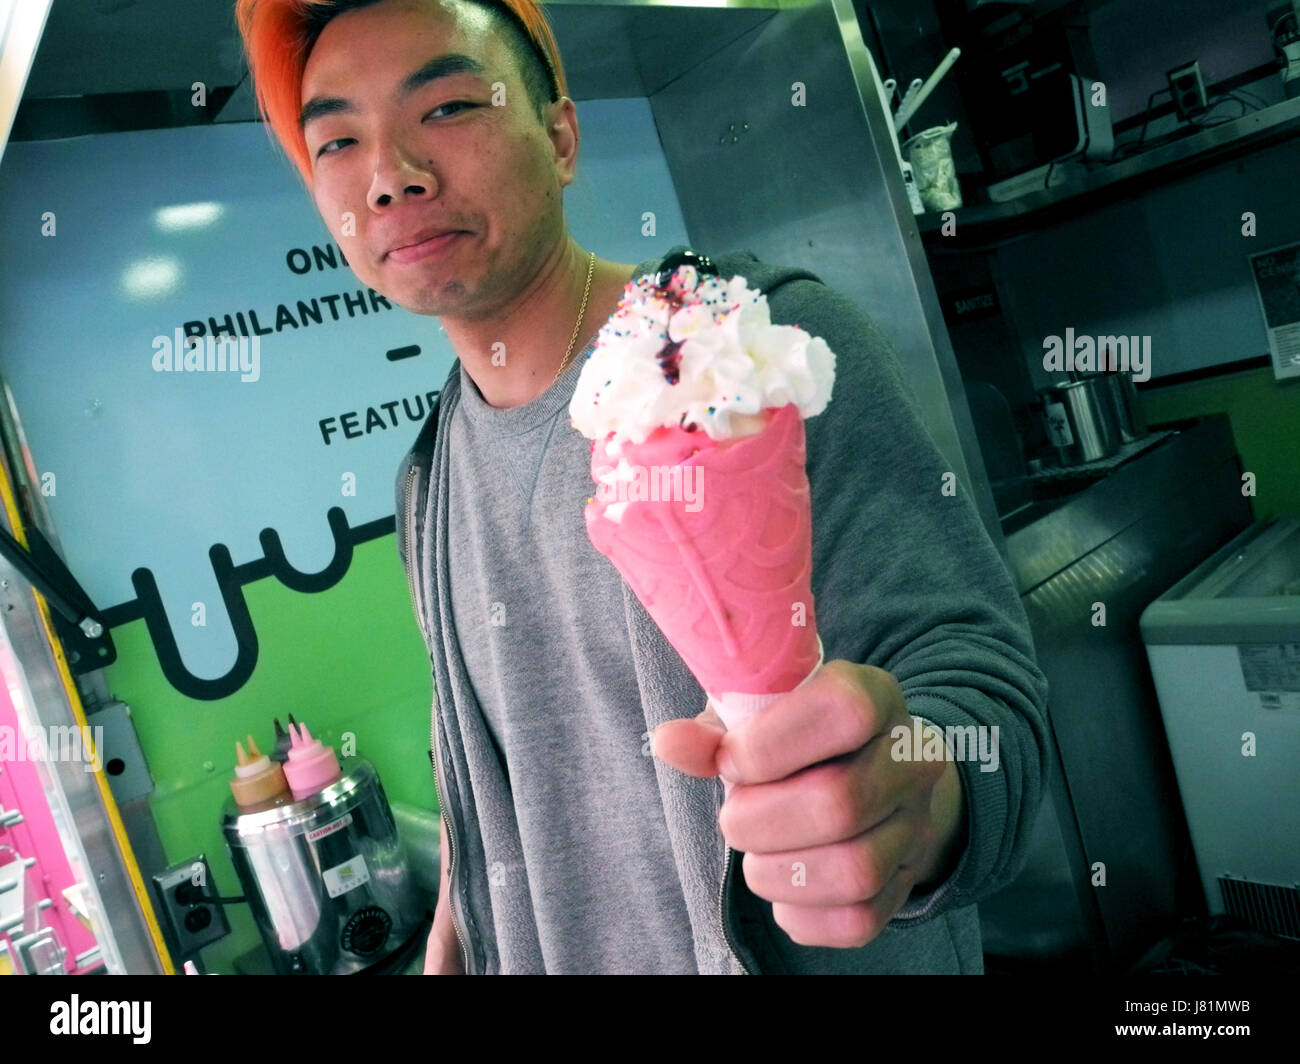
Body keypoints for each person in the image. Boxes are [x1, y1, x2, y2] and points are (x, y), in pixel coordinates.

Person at [235, 0, 1050, 974]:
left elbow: (978, 681)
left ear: (561, 134)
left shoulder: (745, 349)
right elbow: (490, 750)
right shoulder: (428, 475)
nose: (389, 177)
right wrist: (461, 912)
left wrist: (917, 803)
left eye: (448, 107)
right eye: (337, 141)